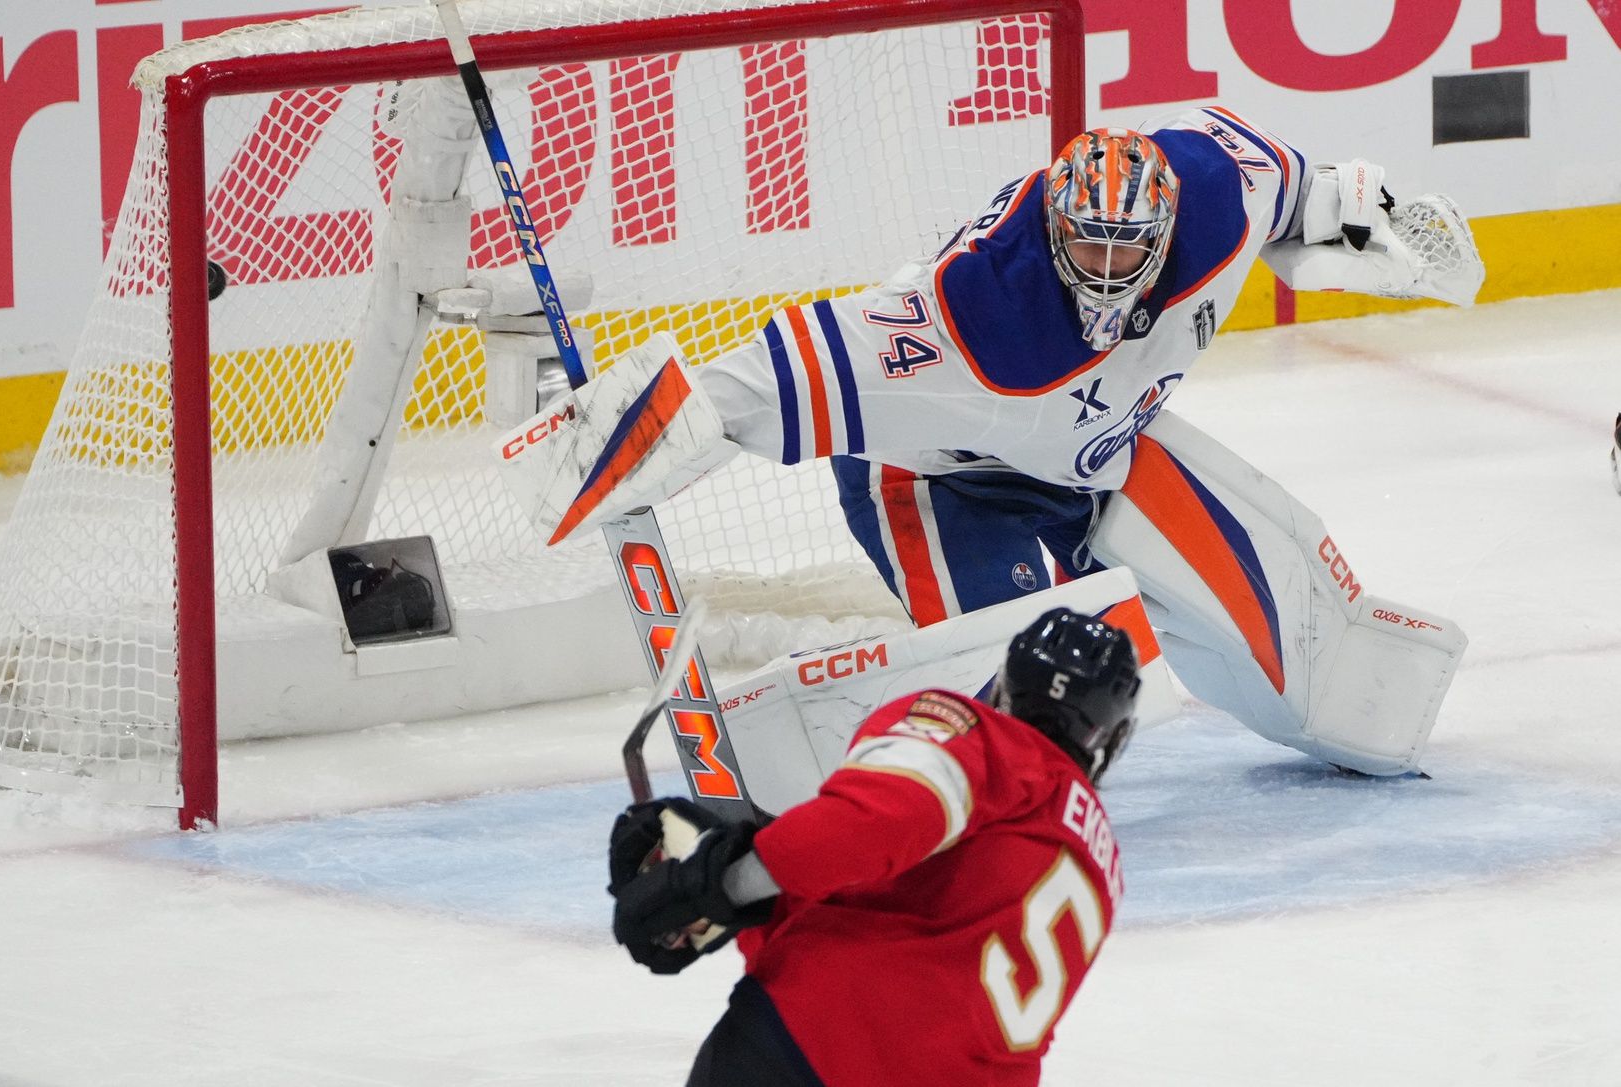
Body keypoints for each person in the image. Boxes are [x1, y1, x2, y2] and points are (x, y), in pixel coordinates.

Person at [536, 105, 1480, 777]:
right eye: (1089, 246)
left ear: (1166, 231)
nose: (1108, 271)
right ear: (1055, 228)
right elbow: (763, 377)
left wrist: (1374, 218)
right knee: (1042, 715)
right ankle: (887, 788)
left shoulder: (1214, 194)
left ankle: (1346, 693)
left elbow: (1302, 187)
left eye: (1129, 248)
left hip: (1102, 450)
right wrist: (636, 433)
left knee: (1289, 646)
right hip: (946, 481)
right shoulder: (968, 313)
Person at [608, 608, 1141, 1087]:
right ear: (1112, 737)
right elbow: (929, 910)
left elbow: (861, 828)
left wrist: (713, 885)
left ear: (1006, 685)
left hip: (820, 1048)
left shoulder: (978, 735)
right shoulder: (1101, 861)